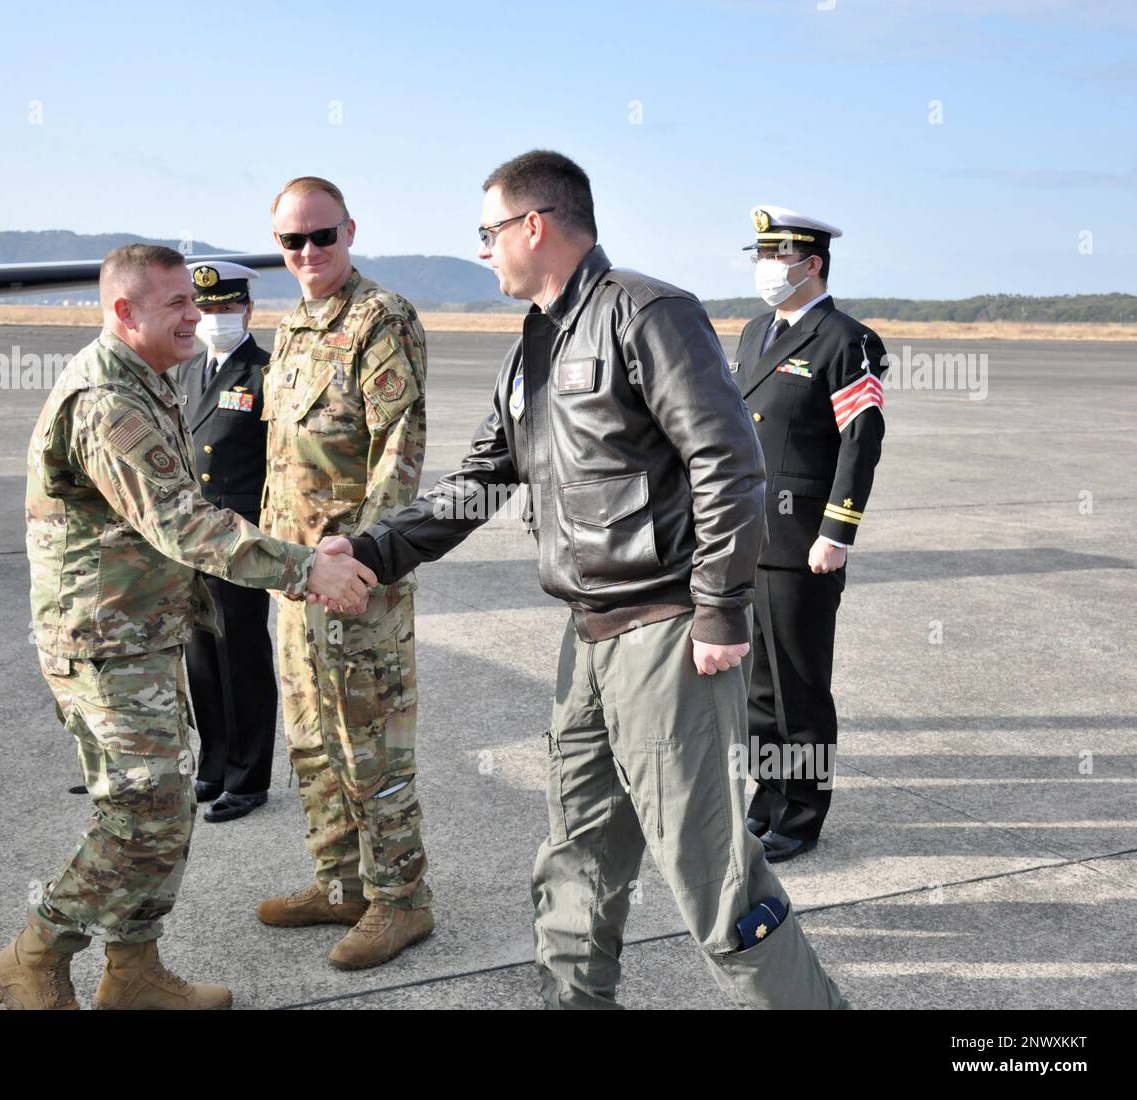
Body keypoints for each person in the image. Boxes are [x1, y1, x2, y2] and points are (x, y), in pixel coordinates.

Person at [324, 151, 849, 1009]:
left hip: (666, 632)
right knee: (576, 854)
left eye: (488, 232)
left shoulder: (647, 314)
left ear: (535, 226)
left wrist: (719, 610)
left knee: (709, 877)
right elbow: (481, 479)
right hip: (588, 638)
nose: (483, 250)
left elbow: (728, 462)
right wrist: (375, 551)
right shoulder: (530, 348)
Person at [0, 244, 376, 1011]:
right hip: (102, 643)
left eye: (197, 304)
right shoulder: (109, 400)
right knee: (141, 812)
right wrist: (305, 570)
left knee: (160, 808)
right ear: (125, 312)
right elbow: (182, 523)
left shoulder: (147, 378)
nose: (196, 316)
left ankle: (132, 972)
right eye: (177, 306)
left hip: (139, 631)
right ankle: (35, 950)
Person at [252, 177, 433, 971]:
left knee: (373, 746)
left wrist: (361, 556)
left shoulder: (379, 318)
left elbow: (401, 454)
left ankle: (402, 901)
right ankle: (339, 884)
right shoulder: (290, 328)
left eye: (322, 236)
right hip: (294, 580)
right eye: (292, 242)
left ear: (349, 231)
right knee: (312, 741)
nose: (308, 253)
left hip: (356, 582)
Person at [734, 205, 888, 862]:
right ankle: (767, 800)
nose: (764, 268)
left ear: (811, 263)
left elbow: (860, 443)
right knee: (760, 691)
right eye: (760, 256)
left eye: (776, 257)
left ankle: (801, 815)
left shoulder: (847, 341)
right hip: (751, 541)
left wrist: (837, 531)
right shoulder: (751, 334)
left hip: (805, 548)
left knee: (801, 688)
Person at [176, 260, 277, 823]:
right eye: (207, 309)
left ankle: (249, 777)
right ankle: (213, 765)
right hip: (192, 539)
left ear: (248, 311)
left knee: (241, 655)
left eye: (225, 308)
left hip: (240, 537)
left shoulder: (268, 372)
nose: (215, 318)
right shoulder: (188, 372)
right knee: (201, 658)